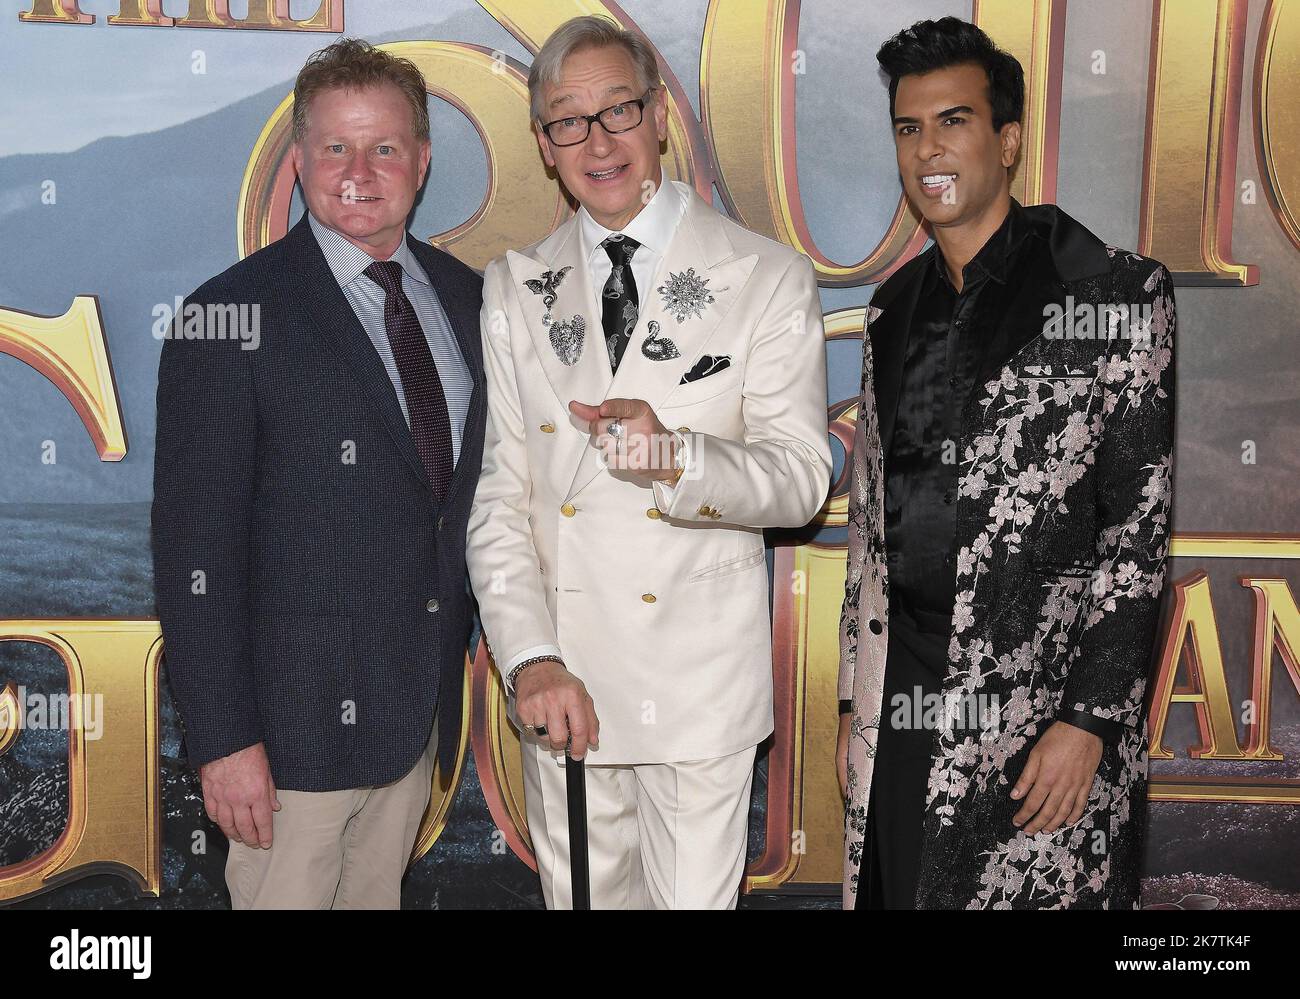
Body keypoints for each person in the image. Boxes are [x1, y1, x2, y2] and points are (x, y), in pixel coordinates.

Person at [466, 15, 831, 909]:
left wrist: (673, 456)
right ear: (544, 145)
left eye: (618, 110)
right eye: (567, 121)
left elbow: (801, 480)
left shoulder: (765, 276)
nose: (597, 141)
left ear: (660, 115)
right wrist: (530, 659)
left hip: (698, 695)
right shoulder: (516, 286)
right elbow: (499, 505)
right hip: (569, 690)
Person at [837, 17, 1175, 909]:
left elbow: (1135, 535)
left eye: (953, 121)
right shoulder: (891, 308)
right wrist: (855, 705)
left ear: (1009, 138)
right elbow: (871, 530)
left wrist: (1091, 719)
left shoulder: (1112, 291)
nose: (927, 150)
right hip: (905, 693)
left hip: (1044, 708)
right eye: (909, 128)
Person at [151, 38, 484, 908]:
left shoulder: (469, 302)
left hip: (413, 729)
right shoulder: (226, 317)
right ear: (298, 163)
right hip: (286, 747)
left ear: (421, 160)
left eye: (384, 147)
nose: (359, 171)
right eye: (335, 146)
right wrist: (223, 741)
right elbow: (196, 554)